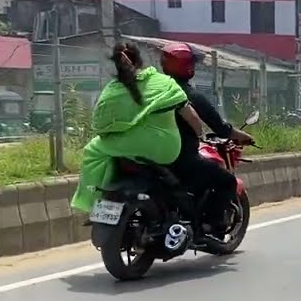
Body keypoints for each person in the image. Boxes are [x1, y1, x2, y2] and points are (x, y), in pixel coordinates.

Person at [71, 42, 210, 213]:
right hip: (165, 149)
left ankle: (90, 201)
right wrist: (200, 135)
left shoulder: (112, 90)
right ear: (140, 60)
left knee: (93, 150)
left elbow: (99, 125)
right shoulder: (164, 83)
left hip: (124, 148)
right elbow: (192, 118)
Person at [159, 42, 254, 236]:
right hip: (180, 159)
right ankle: (211, 225)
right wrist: (243, 136)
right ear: (188, 67)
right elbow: (220, 128)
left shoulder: (152, 92)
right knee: (227, 181)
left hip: (149, 156)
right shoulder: (188, 95)